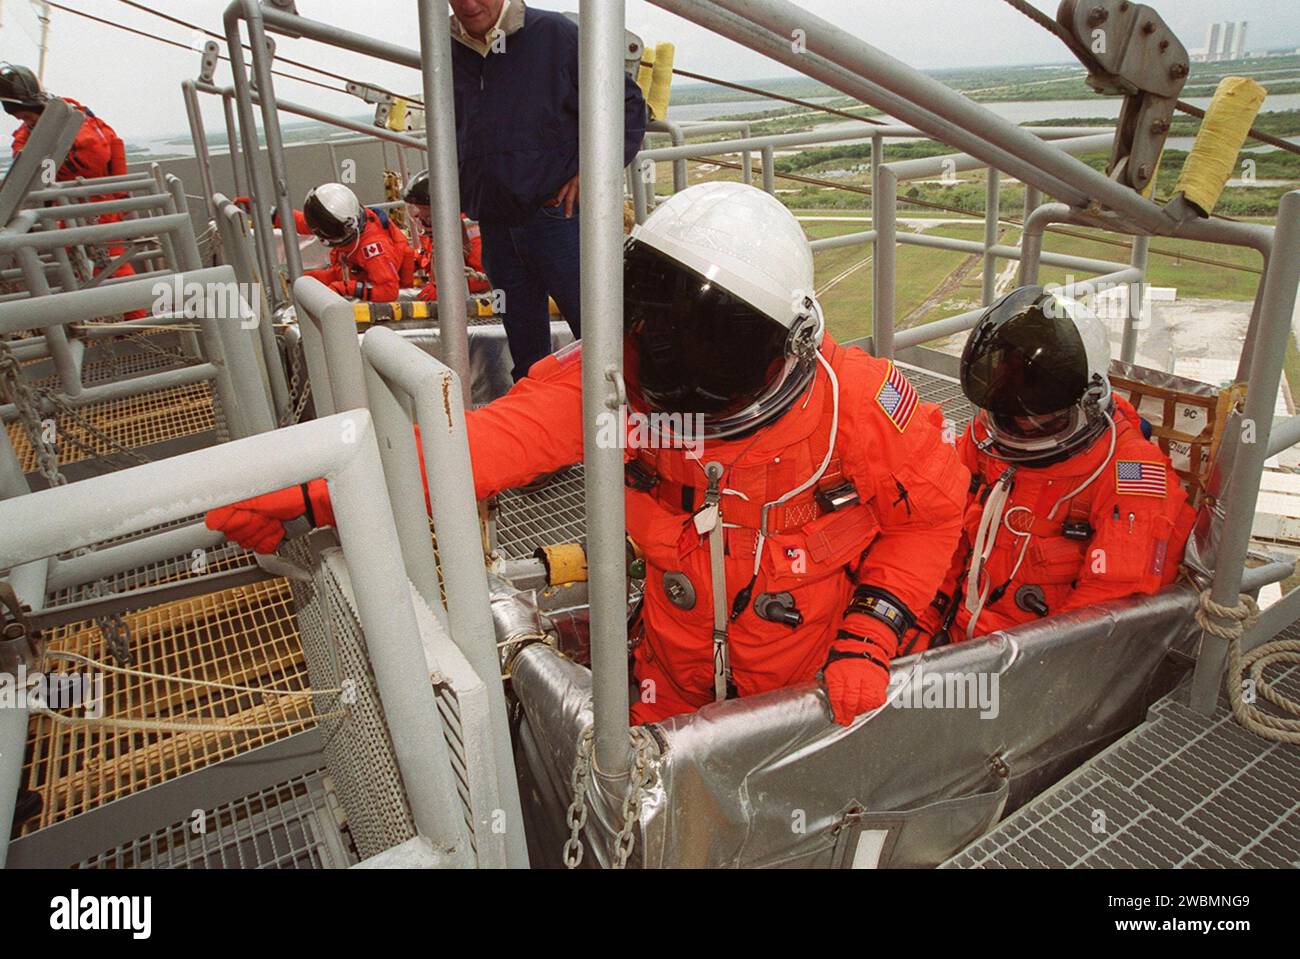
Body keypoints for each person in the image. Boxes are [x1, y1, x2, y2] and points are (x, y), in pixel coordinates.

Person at [206, 182, 967, 728]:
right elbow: (475, 445)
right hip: (666, 682)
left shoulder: (858, 408)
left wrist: (872, 632)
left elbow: (933, 517)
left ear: (787, 344)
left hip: (810, 692)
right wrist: (316, 491)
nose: (675, 411)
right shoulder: (627, 385)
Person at [900, 286, 1196, 653]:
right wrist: (917, 621)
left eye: (1043, 422)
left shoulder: (1130, 477)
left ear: (1090, 401)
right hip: (953, 634)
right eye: (1012, 418)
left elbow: (1097, 626)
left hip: (1035, 658)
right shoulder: (986, 439)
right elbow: (939, 531)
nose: (1024, 428)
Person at [447, 0, 647, 379]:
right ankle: (549, 435)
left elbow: (628, 105)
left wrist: (592, 171)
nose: (470, 5)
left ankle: (625, 434)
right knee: (529, 362)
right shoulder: (447, 50)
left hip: (561, 220)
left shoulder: (554, 34)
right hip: (496, 227)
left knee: (605, 345)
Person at [2, 62, 141, 313]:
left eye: (25, 116)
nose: (23, 121)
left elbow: (100, 155)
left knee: (111, 263)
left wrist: (119, 197)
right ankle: (105, 318)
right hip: (70, 207)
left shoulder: (77, 122)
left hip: (97, 204)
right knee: (75, 265)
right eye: (19, 118)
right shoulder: (35, 130)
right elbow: (23, 160)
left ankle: (136, 322)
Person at [297, 183, 414, 302]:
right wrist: (277, 215)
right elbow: (310, 224)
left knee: (308, 285)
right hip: (349, 271)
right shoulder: (341, 221)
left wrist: (345, 288)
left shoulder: (373, 249)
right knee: (301, 281)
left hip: (371, 285)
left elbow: (388, 292)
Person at [402, 169, 491, 303]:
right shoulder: (435, 225)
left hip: (480, 296)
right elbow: (428, 257)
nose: (417, 214)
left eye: (423, 208)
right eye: (415, 207)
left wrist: (443, 289)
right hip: (447, 290)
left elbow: (485, 277)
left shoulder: (468, 228)